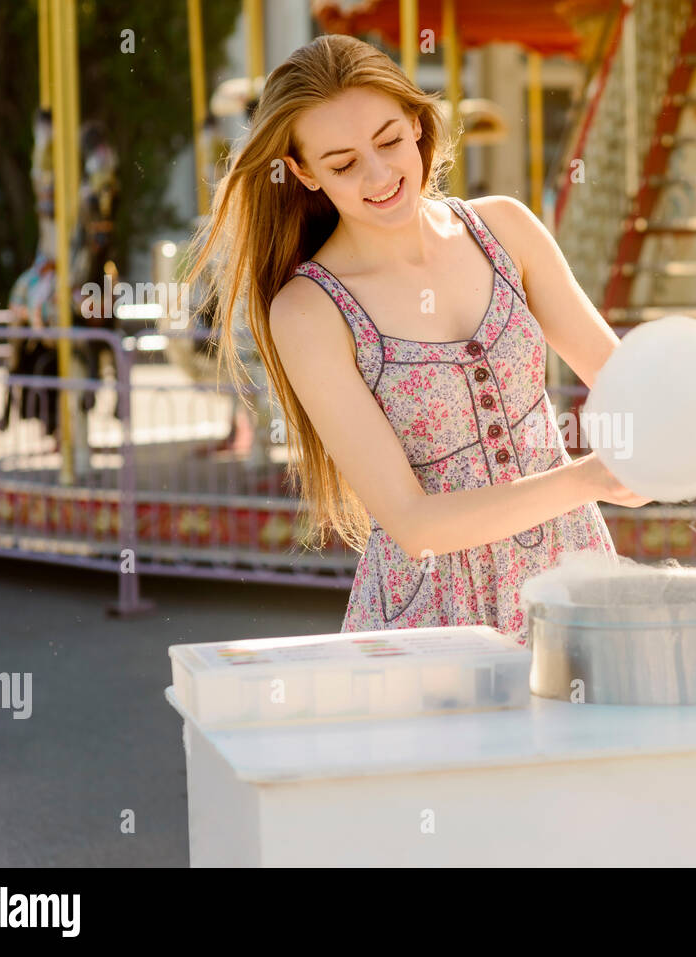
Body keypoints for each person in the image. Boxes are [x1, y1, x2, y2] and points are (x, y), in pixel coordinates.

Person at [184, 35, 648, 644]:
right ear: (302, 171)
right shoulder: (310, 310)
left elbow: (625, 384)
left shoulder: (505, 227)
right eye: (344, 164)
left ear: (417, 123)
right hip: (433, 617)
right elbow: (413, 523)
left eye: (389, 141)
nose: (380, 175)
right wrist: (589, 479)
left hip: (572, 579)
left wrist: (682, 406)